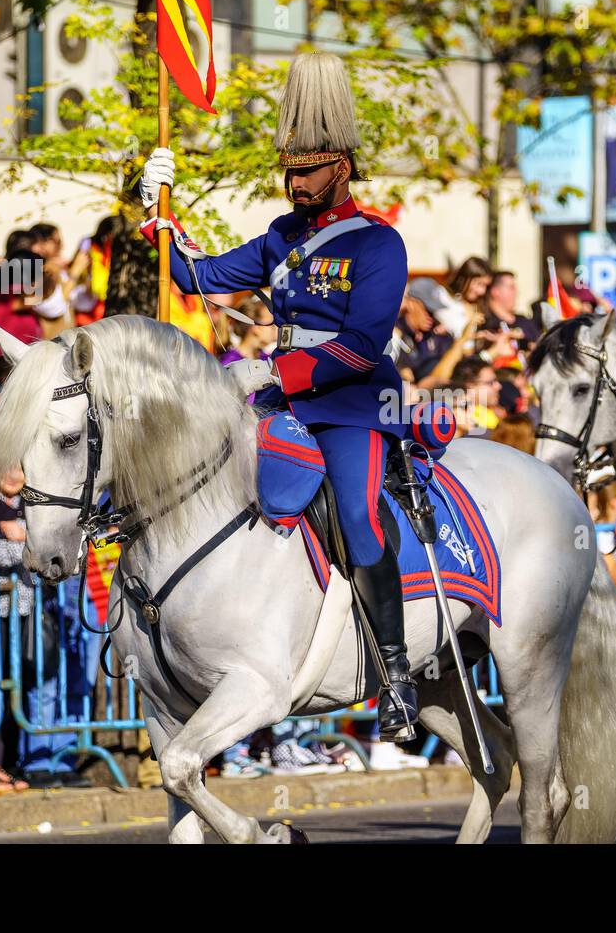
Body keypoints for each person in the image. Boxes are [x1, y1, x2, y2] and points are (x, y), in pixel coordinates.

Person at [136, 52, 419, 741]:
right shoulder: (279, 238)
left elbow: (359, 345)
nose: (294, 184)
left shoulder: (380, 244)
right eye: (288, 172)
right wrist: (155, 211)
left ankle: (398, 674)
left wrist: (276, 374)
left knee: (355, 512)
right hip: (282, 404)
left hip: (352, 404)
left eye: (307, 172)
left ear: (341, 169)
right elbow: (194, 278)